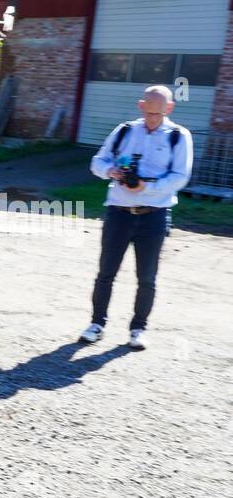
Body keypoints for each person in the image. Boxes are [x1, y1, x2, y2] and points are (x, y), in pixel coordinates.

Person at [79, 85, 192, 351]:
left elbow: (180, 177)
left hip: (154, 215)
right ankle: (97, 324)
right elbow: (97, 162)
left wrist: (146, 188)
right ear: (141, 105)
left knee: (147, 277)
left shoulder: (179, 136)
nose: (152, 118)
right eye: (149, 112)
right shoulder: (124, 131)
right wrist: (112, 171)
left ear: (169, 109)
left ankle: (138, 328)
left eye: (158, 113)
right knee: (106, 273)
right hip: (119, 213)